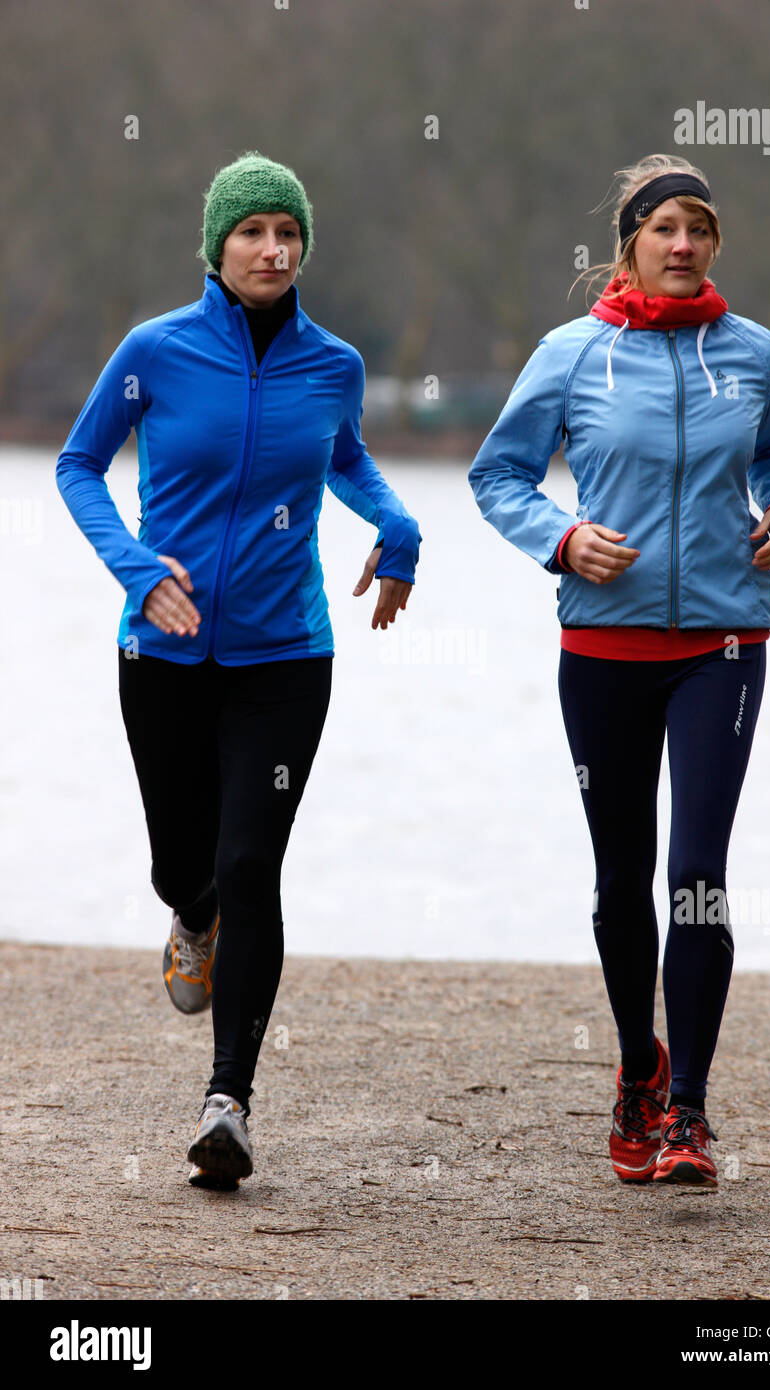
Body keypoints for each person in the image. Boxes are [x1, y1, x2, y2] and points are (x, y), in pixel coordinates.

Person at [56, 151, 421, 1190]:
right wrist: (134, 567)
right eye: (254, 231)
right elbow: (78, 464)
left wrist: (394, 523)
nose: (273, 248)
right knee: (187, 861)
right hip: (162, 647)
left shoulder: (332, 363)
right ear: (217, 246)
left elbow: (340, 453)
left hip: (284, 653)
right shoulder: (153, 352)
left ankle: (230, 1101)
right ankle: (191, 913)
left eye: (287, 231)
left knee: (253, 857)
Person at [468, 153, 770, 1188]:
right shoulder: (571, 354)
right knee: (620, 877)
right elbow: (498, 474)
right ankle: (635, 1068)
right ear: (628, 242)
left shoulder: (750, 352)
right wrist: (560, 538)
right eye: (662, 226)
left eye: (698, 228)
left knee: (696, 878)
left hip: (721, 644)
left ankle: (689, 1116)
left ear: (713, 244)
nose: (681, 244)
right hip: (603, 646)